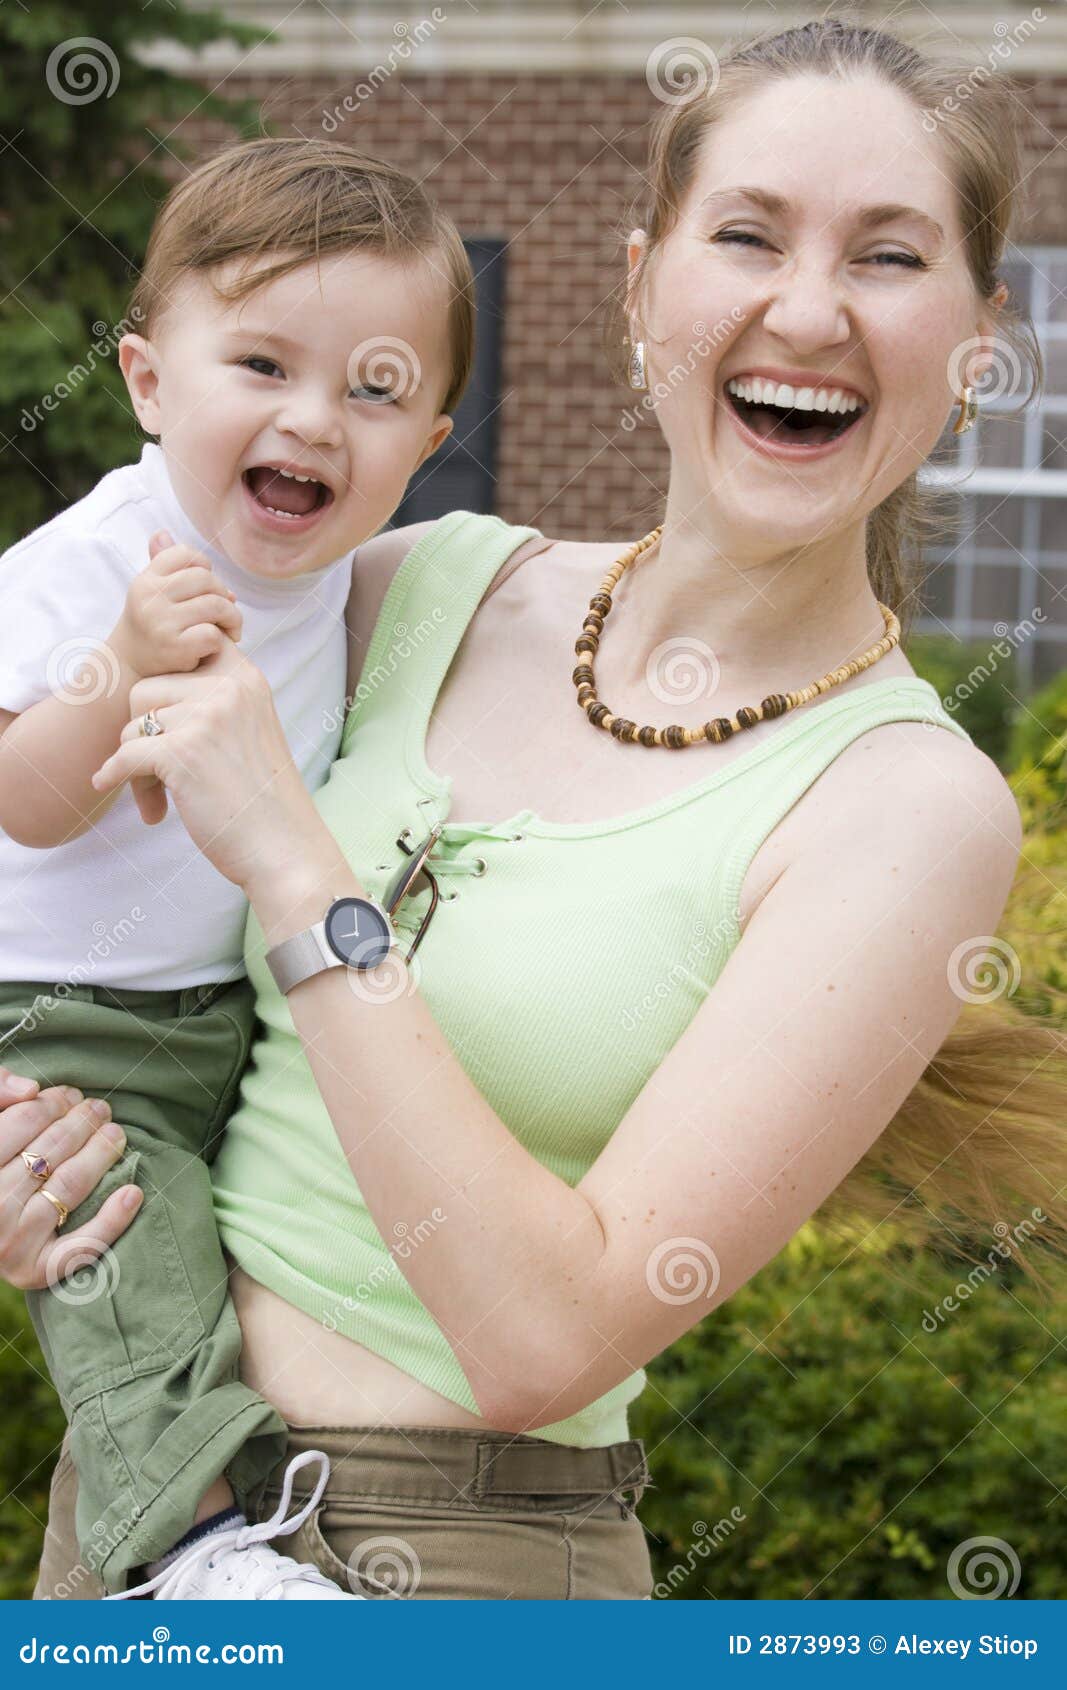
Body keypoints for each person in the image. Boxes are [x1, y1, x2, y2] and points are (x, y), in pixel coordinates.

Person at [4, 14, 1065, 1602]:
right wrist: (45, 1156)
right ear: (641, 288)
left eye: (890, 257)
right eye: (750, 235)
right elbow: (75, 856)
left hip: (466, 1556)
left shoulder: (909, 803)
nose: (807, 307)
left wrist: (300, 863)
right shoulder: (403, 588)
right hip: (147, 1497)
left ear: (980, 340)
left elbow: (544, 1335)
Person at [0, 136, 464, 1598]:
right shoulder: (94, 562)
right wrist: (120, 670)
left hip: (230, 1017)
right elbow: (21, 797)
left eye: (376, 389)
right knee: (121, 1248)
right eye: (260, 365)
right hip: (63, 1013)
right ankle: (196, 1542)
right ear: (147, 382)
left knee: (200, 1255)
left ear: (432, 437)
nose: (316, 421)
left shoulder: (343, 581)